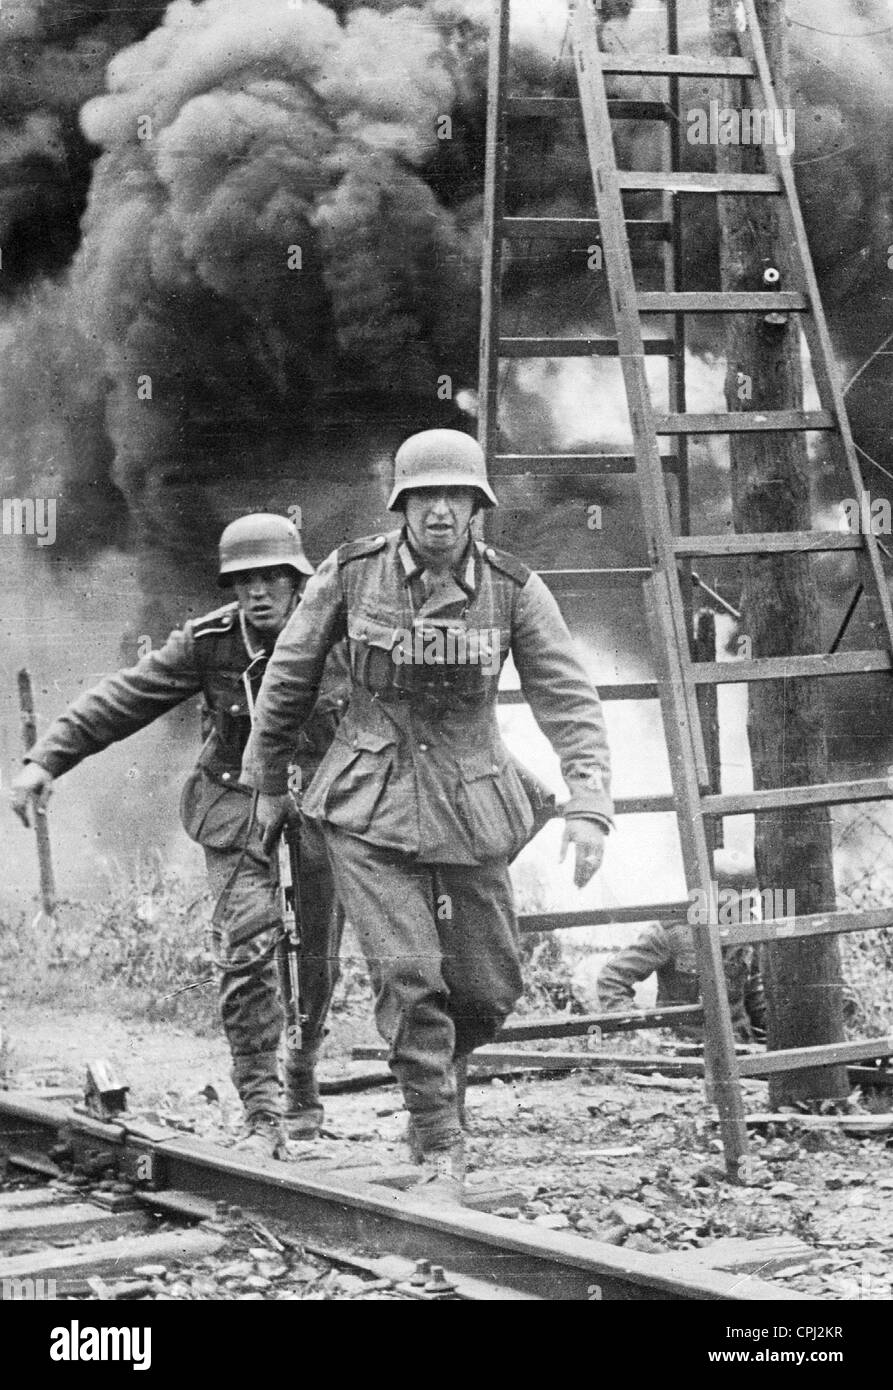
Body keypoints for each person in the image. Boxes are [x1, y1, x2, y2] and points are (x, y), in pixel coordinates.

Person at [242, 429, 614, 1202]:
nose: (439, 512)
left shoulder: (513, 588)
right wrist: (268, 779)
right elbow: (288, 677)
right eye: (424, 497)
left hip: (472, 800)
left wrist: (588, 803)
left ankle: (436, 1080)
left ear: (477, 507)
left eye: (455, 497)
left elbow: (568, 700)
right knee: (408, 973)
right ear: (402, 504)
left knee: (486, 988)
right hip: (365, 800)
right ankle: (436, 1134)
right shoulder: (350, 575)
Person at [10, 514, 347, 1159]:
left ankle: (301, 1072)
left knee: (317, 959)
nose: (259, 592)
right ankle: (260, 1106)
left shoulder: (338, 635)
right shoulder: (209, 643)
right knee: (245, 945)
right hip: (235, 810)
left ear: (297, 580)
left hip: (318, 808)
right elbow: (123, 698)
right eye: (244, 579)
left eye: (273, 576)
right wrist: (44, 760)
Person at [597, 854, 767, 1043]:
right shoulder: (671, 932)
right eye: (735, 905)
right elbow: (612, 977)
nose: (744, 912)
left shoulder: (748, 929)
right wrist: (639, 1031)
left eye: (747, 904)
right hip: (683, 1047)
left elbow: (755, 992)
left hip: (740, 1045)